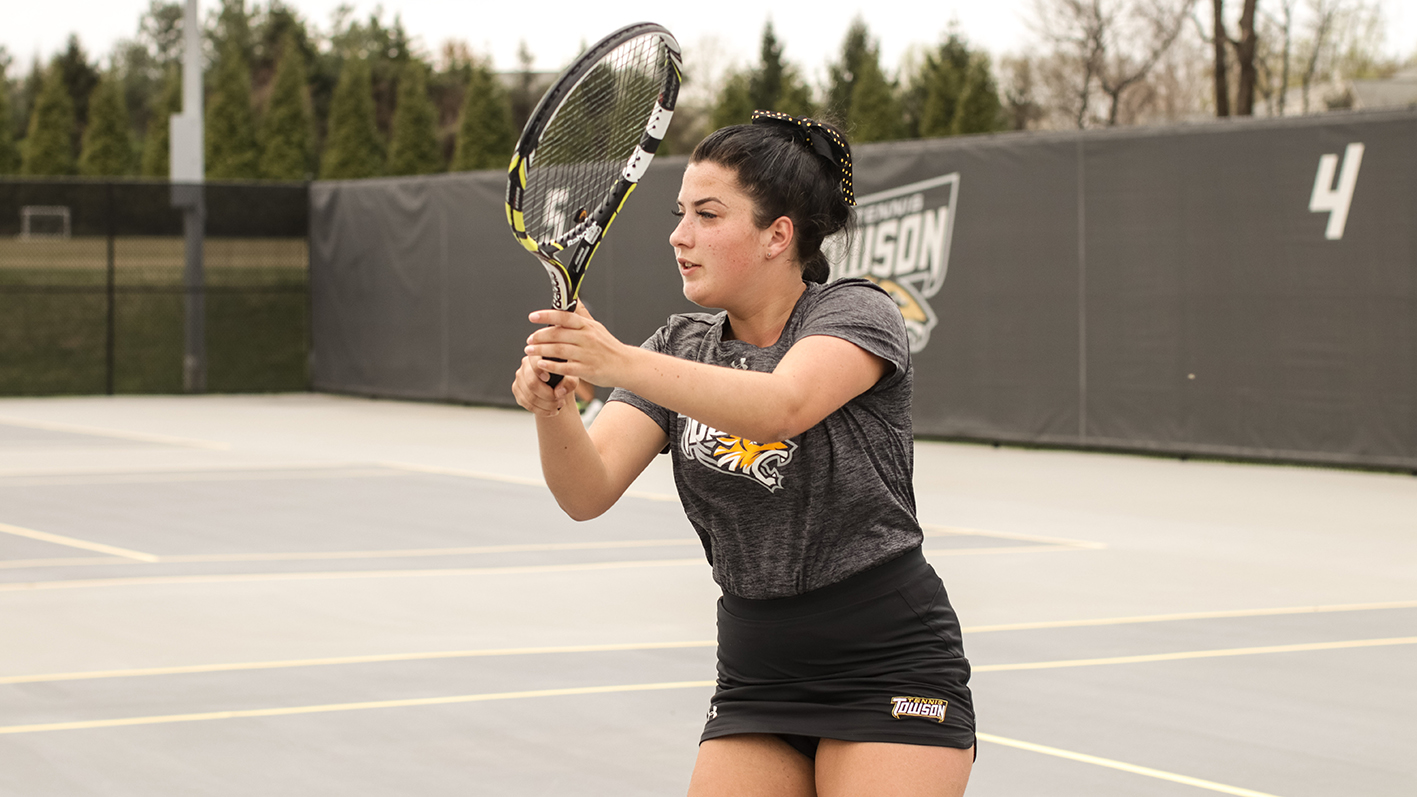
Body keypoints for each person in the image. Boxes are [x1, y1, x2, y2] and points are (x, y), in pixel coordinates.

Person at [512, 111, 975, 796]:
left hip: (887, 662)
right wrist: (553, 410)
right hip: (757, 671)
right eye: (679, 213)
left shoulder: (855, 313)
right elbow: (587, 490)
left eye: (707, 214)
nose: (680, 235)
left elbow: (782, 405)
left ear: (777, 235)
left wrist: (615, 361)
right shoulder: (679, 347)